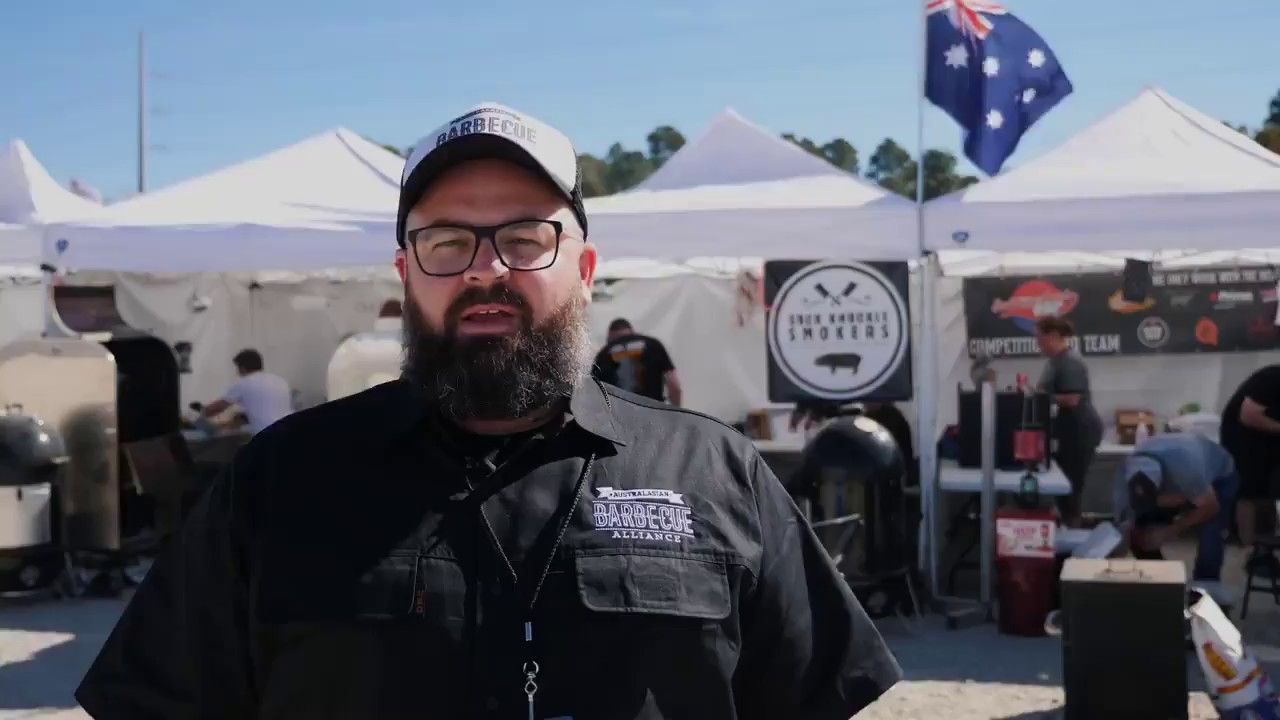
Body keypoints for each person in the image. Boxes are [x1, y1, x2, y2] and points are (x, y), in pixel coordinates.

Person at [76, 102, 900, 720]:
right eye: (447, 243)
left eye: (526, 238)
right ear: (406, 272)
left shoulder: (715, 475)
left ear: (584, 266)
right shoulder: (282, 479)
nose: (485, 269)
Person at [1113, 432, 1238, 582]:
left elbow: (1211, 507)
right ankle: (1159, 580)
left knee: (1212, 533)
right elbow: (1123, 528)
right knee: (1140, 527)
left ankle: (1206, 585)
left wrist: (1170, 531)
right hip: (1177, 470)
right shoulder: (1124, 478)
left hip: (1220, 474)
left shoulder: (1186, 470)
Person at [1034, 316, 1103, 526]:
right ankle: (1067, 526)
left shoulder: (1070, 362)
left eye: (1039, 338)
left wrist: (1040, 396)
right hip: (1067, 430)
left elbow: (1073, 399)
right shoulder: (1055, 362)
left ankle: (1072, 534)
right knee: (1064, 488)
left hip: (1079, 430)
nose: (1037, 343)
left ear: (1053, 337)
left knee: (1071, 487)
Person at [1219, 364, 1280, 573]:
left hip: (1268, 440)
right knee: (1249, 492)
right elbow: (1248, 415)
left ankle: (1266, 548)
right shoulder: (1272, 377)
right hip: (1244, 439)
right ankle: (1253, 552)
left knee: (1268, 492)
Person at [196, 348, 294, 435]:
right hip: (290, 432)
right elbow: (267, 407)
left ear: (242, 368)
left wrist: (200, 414)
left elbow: (216, 408)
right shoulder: (279, 380)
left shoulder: (245, 383)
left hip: (267, 436)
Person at [590, 317, 682, 405]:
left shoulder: (604, 353)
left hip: (619, 417)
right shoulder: (653, 345)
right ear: (632, 331)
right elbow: (675, 386)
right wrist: (676, 415)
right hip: (654, 413)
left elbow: (592, 393)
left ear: (610, 336)